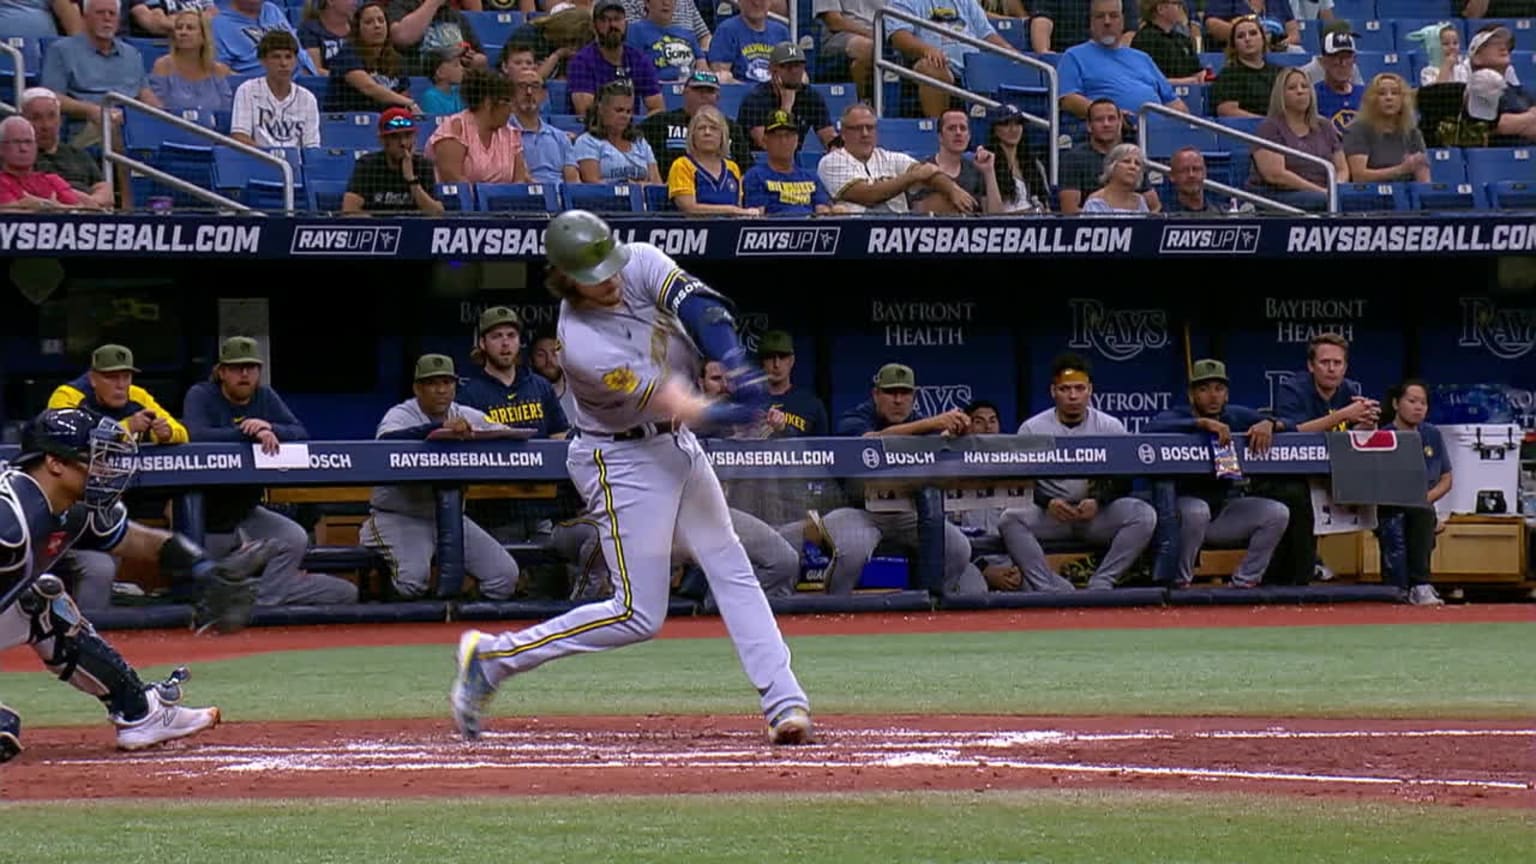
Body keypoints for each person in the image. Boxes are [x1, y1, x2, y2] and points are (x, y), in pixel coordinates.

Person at [450, 210, 813, 747]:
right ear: (566, 279)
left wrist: (734, 360)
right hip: (620, 460)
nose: (611, 277)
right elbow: (683, 405)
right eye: (593, 274)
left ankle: (784, 700)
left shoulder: (638, 259)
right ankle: (494, 658)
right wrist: (738, 412)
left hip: (674, 445)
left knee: (729, 562)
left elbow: (702, 308)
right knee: (638, 614)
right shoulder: (582, 343)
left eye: (609, 263)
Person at [0, 408, 276, 763]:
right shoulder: (10, 522)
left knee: (41, 602)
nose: (104, 470)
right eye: (94, 459)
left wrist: (203, 567)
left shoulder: (73, 506)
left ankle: (140, 713)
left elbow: (135, 540)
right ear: (55, 463)